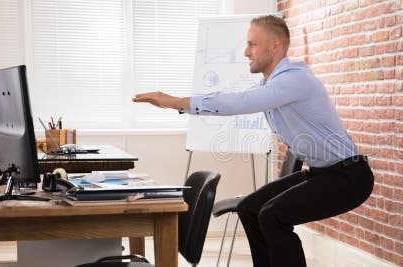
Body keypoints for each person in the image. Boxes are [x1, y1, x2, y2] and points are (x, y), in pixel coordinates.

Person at [132, 15, 374, 267]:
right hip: (323, 173)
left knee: (273, 216)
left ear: (275, 45)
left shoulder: (295, 79)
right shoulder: (271, 84)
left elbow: (240, 102)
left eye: (252, 44)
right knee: (250, 208)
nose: (246, 52)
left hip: (349, 177)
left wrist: (174, 101)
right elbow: (244, 99)